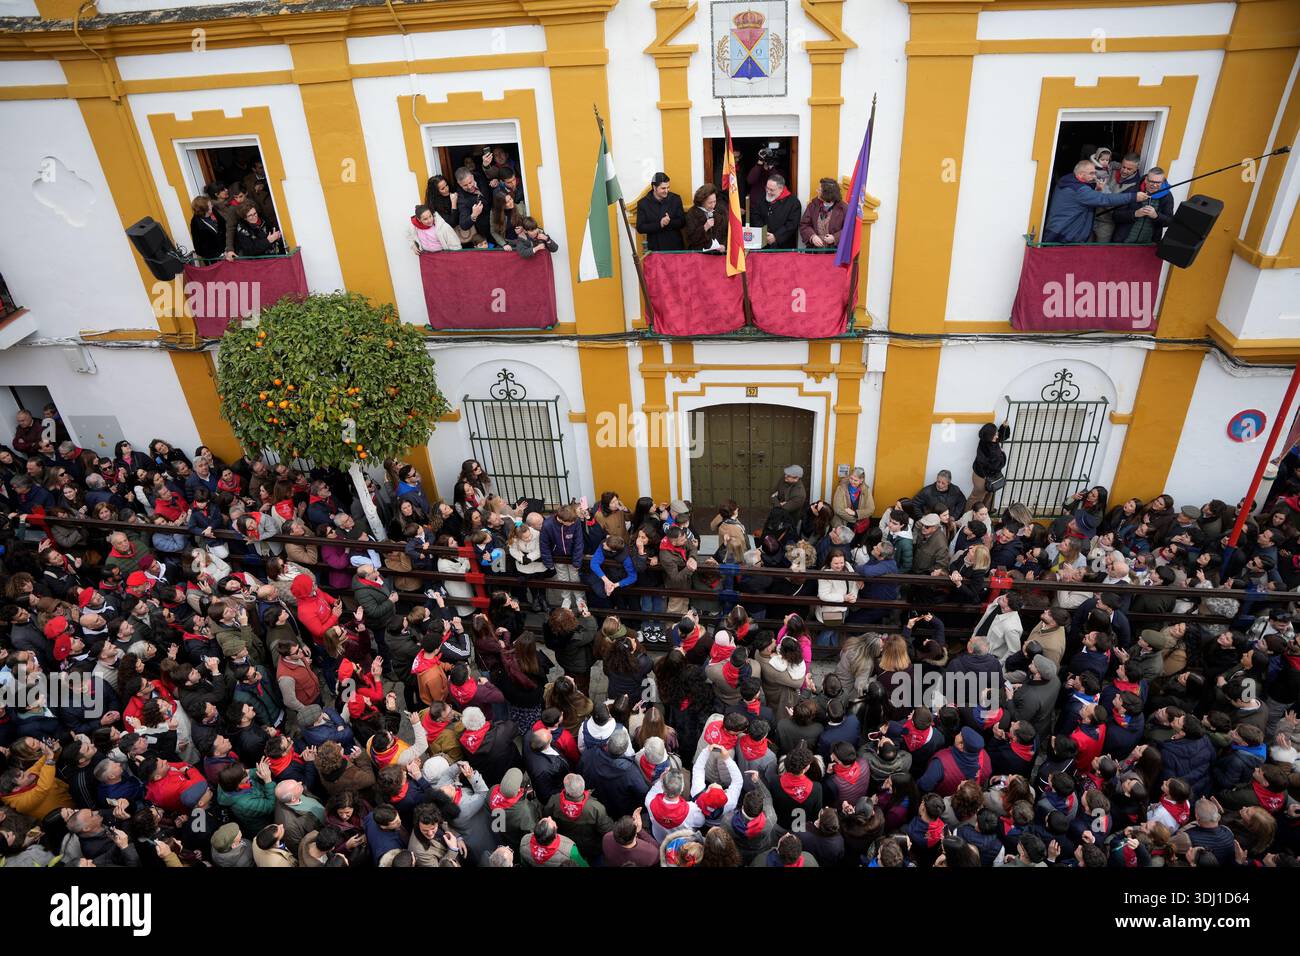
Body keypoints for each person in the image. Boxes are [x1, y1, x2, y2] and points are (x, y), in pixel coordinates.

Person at [1042, 159, 1148, 244]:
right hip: (1066, 236)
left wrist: (1095, 190)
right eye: (1091, 173)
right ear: (1080, 175)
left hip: (1059, 230)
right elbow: (1105, 199)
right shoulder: (1080, 190)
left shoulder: (1068, 180)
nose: (1095, 176)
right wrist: (1133, 196)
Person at [1112, 166, 1173, 244]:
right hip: (1123, 242)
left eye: (1158, 183)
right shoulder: (1132, 191)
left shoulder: (1167, 196)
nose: (1154, 185)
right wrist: (1135, 214)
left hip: (1149, 244)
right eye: (1151, 181)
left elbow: (1169, 222)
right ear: (1146, 180)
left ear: (1163, 181)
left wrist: (1156, 216)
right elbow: (1116, 216)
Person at [635, 172, 686, 251]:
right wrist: (660, 224)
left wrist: (669, 222)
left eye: (668, 187)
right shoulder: (643, 203)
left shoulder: (675, 199)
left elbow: (682, 222)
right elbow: (640, 228)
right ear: (654, 187)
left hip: (675, 247)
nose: (666, 191)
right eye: (663, 188)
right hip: (655, 248)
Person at [753, 174, 800, 249]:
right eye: (767, 188)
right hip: (764, 244)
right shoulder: (761, 198)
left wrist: (776, 236)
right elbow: (755, 216)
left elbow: (792, 224)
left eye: (771, 190)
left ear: (781, 189)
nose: (768, 192)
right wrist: (763, 232)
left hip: (784, 247)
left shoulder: (793, 202)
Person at [799, 178, 848, 249]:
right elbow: (804, 224)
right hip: (814, 251)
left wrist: (835, 238)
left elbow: (849, 228)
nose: (817, 191)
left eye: (819, 190)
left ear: (827, 193)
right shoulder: (813, 205)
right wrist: (812, 236)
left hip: (834, 252)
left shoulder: (843, 208)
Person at [453, 166, 491, 248]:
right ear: (459, 184)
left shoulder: (479, 176)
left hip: (501, 221)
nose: (469, 187)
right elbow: (463, 225)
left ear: (472, 176)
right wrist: (474, 215)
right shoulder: (462, 199)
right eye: (465, 185)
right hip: (487, 233)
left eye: (470, 182)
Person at [683, 183, 728, 251]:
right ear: (702, 201)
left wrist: (724, 245)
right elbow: (691, 239)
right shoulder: (692, 213)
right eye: (710, 203)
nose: (713, 205)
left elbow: (727, 232)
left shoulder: (720, 210)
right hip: (700, 254)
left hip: (718, 254)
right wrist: (704, 227)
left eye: (714, 202)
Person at [189, 196, 227, 263]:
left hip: (228, 251)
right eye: (209, 205)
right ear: (204, 209)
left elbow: (225, 226)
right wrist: (219, 255)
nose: (212, 206)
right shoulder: (195, 224)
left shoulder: (213, 212)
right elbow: (199, 248)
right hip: (215, 261)